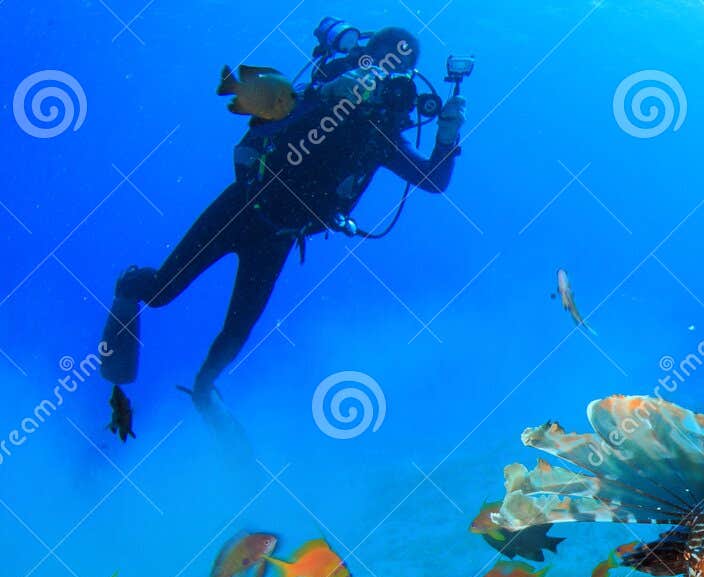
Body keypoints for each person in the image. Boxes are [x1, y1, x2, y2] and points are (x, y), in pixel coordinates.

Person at [98, 25, 465, 440]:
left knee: (237, 332)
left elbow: (433, 180)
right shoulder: (317, 94)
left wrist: (448, 137)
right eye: (382, 60)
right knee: (162, 292)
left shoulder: (382, 136)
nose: (387, 73)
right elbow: (260, 127)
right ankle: (130, 286)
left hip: (280, 236)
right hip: (240, 208)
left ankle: (204, 391)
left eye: (401, 68)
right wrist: (325, 95)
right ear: (365, 57)